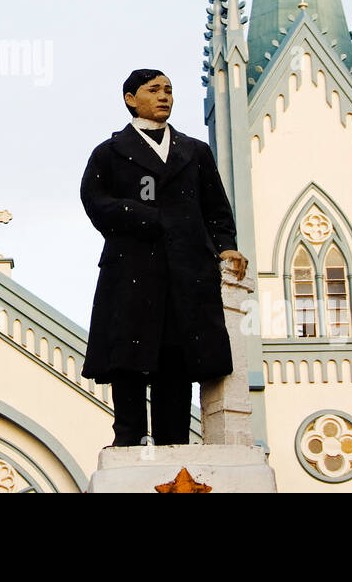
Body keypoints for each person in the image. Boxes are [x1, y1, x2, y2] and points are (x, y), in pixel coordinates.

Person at [79, 68, 249, 447]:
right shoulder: (109, 153)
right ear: (130, 98)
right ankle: (128, 440)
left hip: (186, 274)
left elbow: (217, 209)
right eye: (153, 89)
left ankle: (175, 442)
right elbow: (95, 200)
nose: (164, 96)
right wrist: (140, 215)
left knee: (176, 358)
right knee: (129, 355)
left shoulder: (195, 152)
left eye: (169, 90)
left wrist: (226, 246)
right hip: (131, 272)